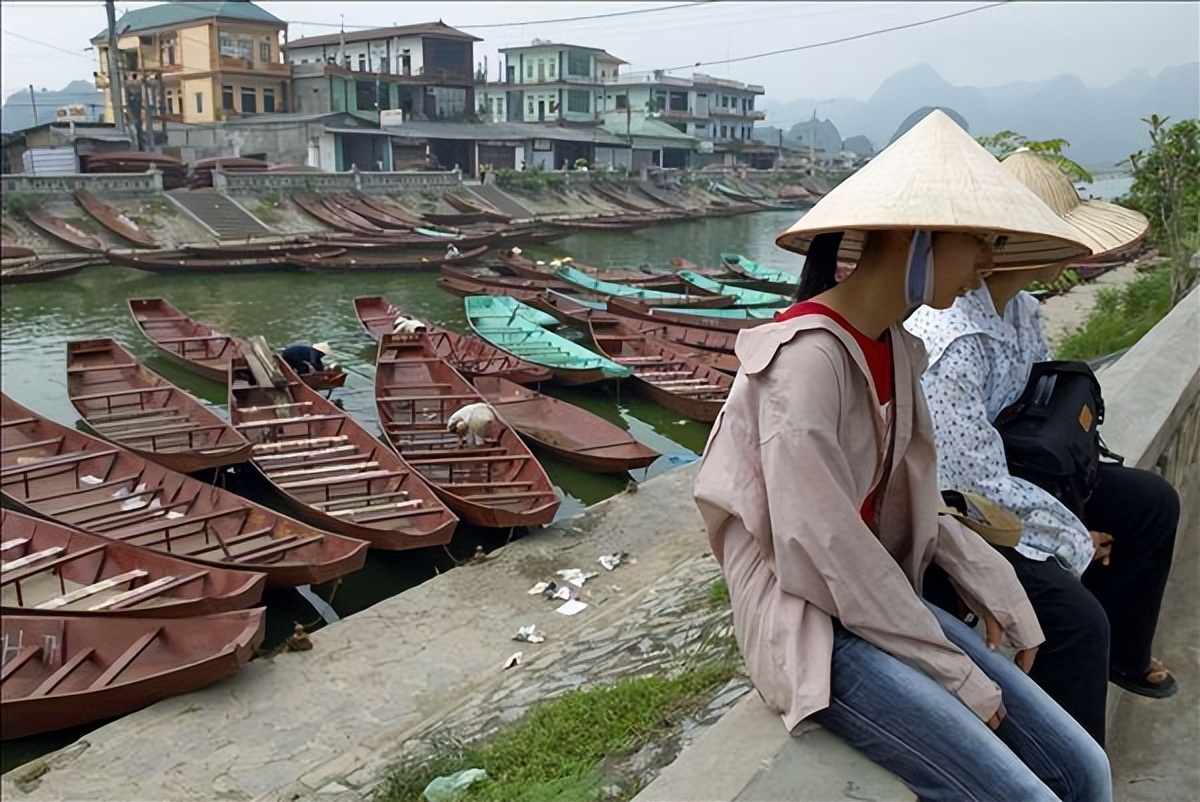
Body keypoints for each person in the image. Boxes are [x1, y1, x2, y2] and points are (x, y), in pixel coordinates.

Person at [693, 111, 1111, 802]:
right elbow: (821, 548)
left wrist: (995, 582)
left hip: (872, 601)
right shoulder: (805, 363)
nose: (985, 261)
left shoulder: (893, 345)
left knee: (1085, 770)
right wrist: (954, 670)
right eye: (976, 240)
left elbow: (918, 498)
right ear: (915, 238)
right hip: (814, 621)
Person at [905, 149, 1178, 748]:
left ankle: (1125, 656)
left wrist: (1068, 517)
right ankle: (1071, 767)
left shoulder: (1024, 310)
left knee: (1151, 505)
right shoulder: (954, 339)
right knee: (1078, 623)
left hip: (1023, 471)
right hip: (964, 511)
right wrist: (1072, 535)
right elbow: (970, 488)